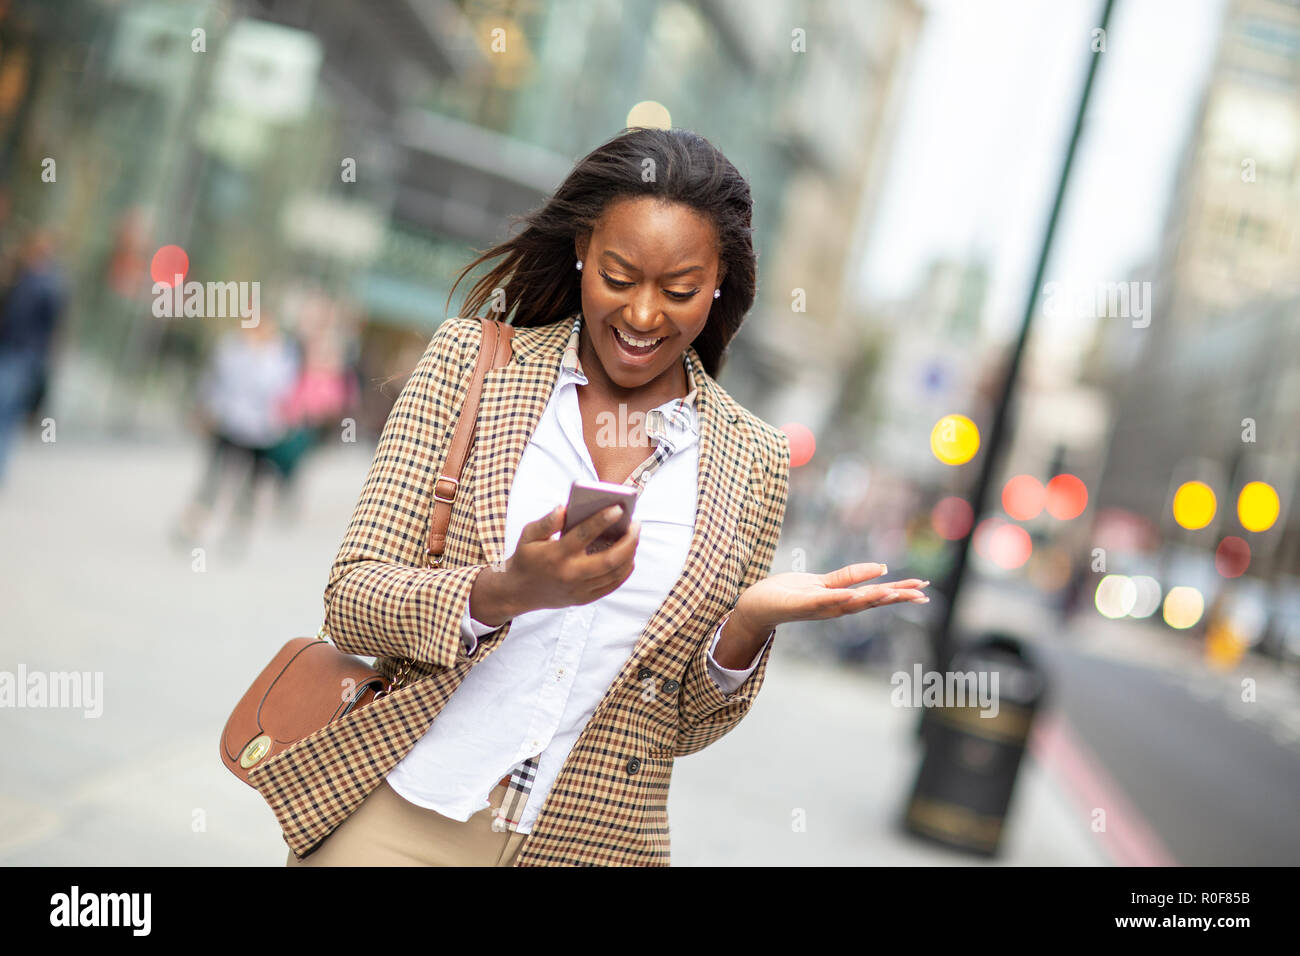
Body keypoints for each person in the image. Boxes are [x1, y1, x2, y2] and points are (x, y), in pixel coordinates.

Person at [260, 127, 930, 867]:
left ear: (718, 286)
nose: (644, 316)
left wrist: (745, 626)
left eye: (679, 291)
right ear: (582, 252)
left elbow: (686, 726)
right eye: (618, 276)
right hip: (404, 812)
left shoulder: (754, 458)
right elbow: (352, 597)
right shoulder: (470, 365)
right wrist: (502, 591)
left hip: (594, 848)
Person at [173, 314, 300, 553]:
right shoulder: (231, 347)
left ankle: (237, 531)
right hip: (227, 422)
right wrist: (204, 410)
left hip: (262, 431)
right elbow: (215, 381)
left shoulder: (281, 356)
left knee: (249, 486)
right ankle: (193, 525)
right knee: (212, 478)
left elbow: (280, 390)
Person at [0, 228, 65, 486]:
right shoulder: (22, 276)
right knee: (7, 413)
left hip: (23, 357)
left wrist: (44, 363)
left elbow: (54, 329)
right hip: (12, 351)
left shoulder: (48, 285)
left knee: (6, 412)